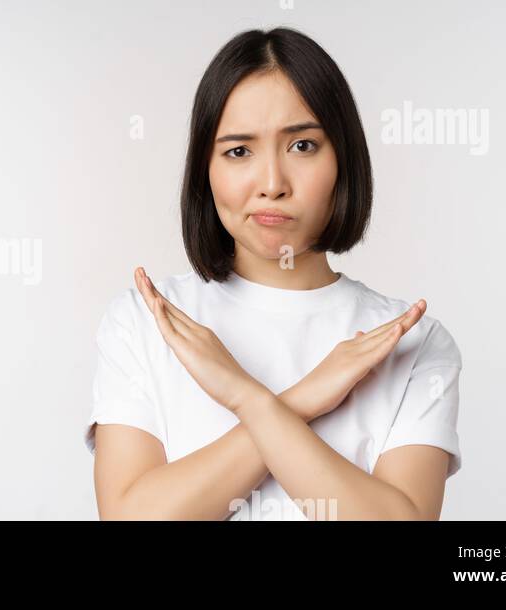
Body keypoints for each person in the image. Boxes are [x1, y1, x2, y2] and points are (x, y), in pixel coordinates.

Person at [84, 27, 462, 520]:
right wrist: (302, 400)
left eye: (302, 146)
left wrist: (247, 397)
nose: (271, 184)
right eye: (239, 151)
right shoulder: (147, 322)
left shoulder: (412, 342)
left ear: (343, 159)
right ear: (206, 169)